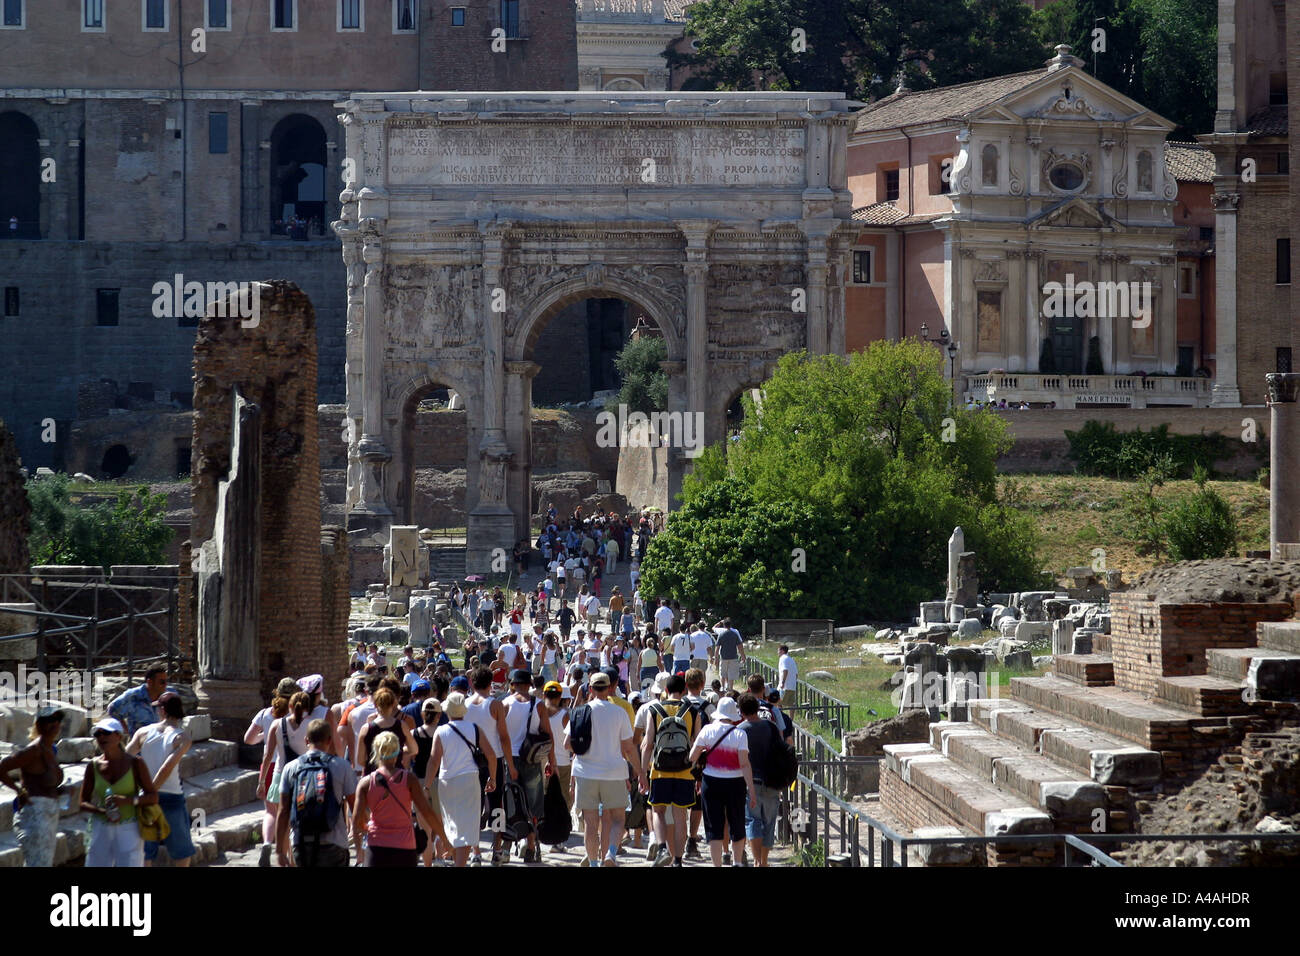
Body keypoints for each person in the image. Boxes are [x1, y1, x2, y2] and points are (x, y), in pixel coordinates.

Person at [565, 671, 646, 867]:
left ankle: (593, 862)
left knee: (591, 825)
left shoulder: (579, 712)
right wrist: (640, 772)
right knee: (618, 818)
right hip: (614, 772)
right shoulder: (619, 712)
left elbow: (567, 744)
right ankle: (610, 853)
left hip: (585, 772)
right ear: (610, 688)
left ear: (590, 689)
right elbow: (628, 747)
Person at [126, 690, 196, 867]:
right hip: (172, 796)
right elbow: (167, 768)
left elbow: (125, 757)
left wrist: (146, 790)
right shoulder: (183, 737)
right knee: (181, 852)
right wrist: (153, 788)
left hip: (147, 797)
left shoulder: (143, 732)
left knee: (146, 852)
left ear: (162, 710)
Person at [638, 673, 700, 867]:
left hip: (659, 770)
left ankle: (662, 846)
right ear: (684, 690)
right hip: (685, 771)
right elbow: (697, 744)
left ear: (666, 690)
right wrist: (696, 772)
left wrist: (643, 773)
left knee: (658, 811)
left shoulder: (654, 709)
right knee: (681, 816)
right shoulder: (693, 711)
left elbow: (648, 744)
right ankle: (678, 860)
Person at [352, 730, 441, 867]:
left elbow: (356, 821)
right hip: (405, 847)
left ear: (376, 752)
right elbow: (426, 811)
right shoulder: (409, 779)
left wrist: (359, 850)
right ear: (398, 752)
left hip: (377, 847)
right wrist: (445, 839)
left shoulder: (365, 783)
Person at [276, 719, 357, 867]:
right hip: (335, 841)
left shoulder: (290, 767)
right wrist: (359, 844)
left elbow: (283, 811)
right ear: (329, 740)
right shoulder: (342, 766)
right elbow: (354, 806)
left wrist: (279, 851)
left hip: (300, 842)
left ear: (306, 740)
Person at [430, 692, 498, 867]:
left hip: (447, 781)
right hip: (469, 780)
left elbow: (434, 760)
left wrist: (427, 784)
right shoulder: (475, 728)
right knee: (467, 825)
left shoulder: (441, 730)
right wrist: (492, 778)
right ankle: (460, 862)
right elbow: (491, 755)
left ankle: (451, 854)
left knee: (450, 822)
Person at [80, 718, 159, 867]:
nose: (101, 737)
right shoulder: (93, 766)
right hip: (100, 827)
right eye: (98, 734)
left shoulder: (135, 763)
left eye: (106, 733)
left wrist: (127, 801)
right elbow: (83, 802)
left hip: (129, 827)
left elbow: (153, 797)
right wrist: (103, 812)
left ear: (118, 736)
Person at [688, 696, 756, 867]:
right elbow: (745, 764)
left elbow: (692, 757)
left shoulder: (706, 731)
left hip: (711, 782)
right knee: (737, 822)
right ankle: (737, 862)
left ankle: (717, 864)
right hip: (736, 783)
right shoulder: (740, 734)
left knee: (714, 825)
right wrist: (752, 790)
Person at [502, 668, 556, 862]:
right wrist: (552, 762)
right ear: (529, 685)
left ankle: (507, 847)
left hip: (511, 758)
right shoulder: (539, 705)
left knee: (511, 803)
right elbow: (548, 735)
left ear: (513, 684)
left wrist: (508, 763)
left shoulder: (505, 704)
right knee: (533, 805)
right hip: (532, 759)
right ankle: (531, 847)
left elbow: (502, 737)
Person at [0, 706, 64, 867]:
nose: (55, 724)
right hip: (34, 817)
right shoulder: (33, 750)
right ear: (39, 725)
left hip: (48, 816)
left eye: (57, 720)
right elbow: (2, 767)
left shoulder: (50, 749)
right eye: (49, 721)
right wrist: (18, 790)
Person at [466, 666, 517, 865]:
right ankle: (496, 850)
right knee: (497, 806)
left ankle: (475, 851)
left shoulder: (464, 704)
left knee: (473, 807)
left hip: (471, 759)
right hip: (493, 759)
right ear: (490, 684)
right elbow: (504, 737)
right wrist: (510, 764)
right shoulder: (495, 705)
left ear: (472, 682)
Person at [739, 693, 784, 866]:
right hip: (772, 780)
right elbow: (781, 749)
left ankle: (757, 860)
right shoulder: (771, 727)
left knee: (752, 821)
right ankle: (764, 861)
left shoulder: (741, 730)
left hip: (751, 782)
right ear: (758, 709)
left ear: (741, 712)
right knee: (769, 822)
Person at [107, 665, 171, 737]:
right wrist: (126, 732)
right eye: (162, 682)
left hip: (161, 741)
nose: (165, 685)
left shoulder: (168, 696)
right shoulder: (133, 696)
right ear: (149, 682)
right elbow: (113, 709)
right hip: (138, 743)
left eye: (166, 681)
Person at [715, 618, 746, 690]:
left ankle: (722, 688)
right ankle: (730, 689)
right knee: (731, 675)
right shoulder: (735, 634)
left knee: (723, 673)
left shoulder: (721, 635)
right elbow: (740, 647)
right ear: (730, 625)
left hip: (724, 657)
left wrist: (716, 658)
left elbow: (717, 648)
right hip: (733, 657)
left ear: (724, 625)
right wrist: (743, 656)